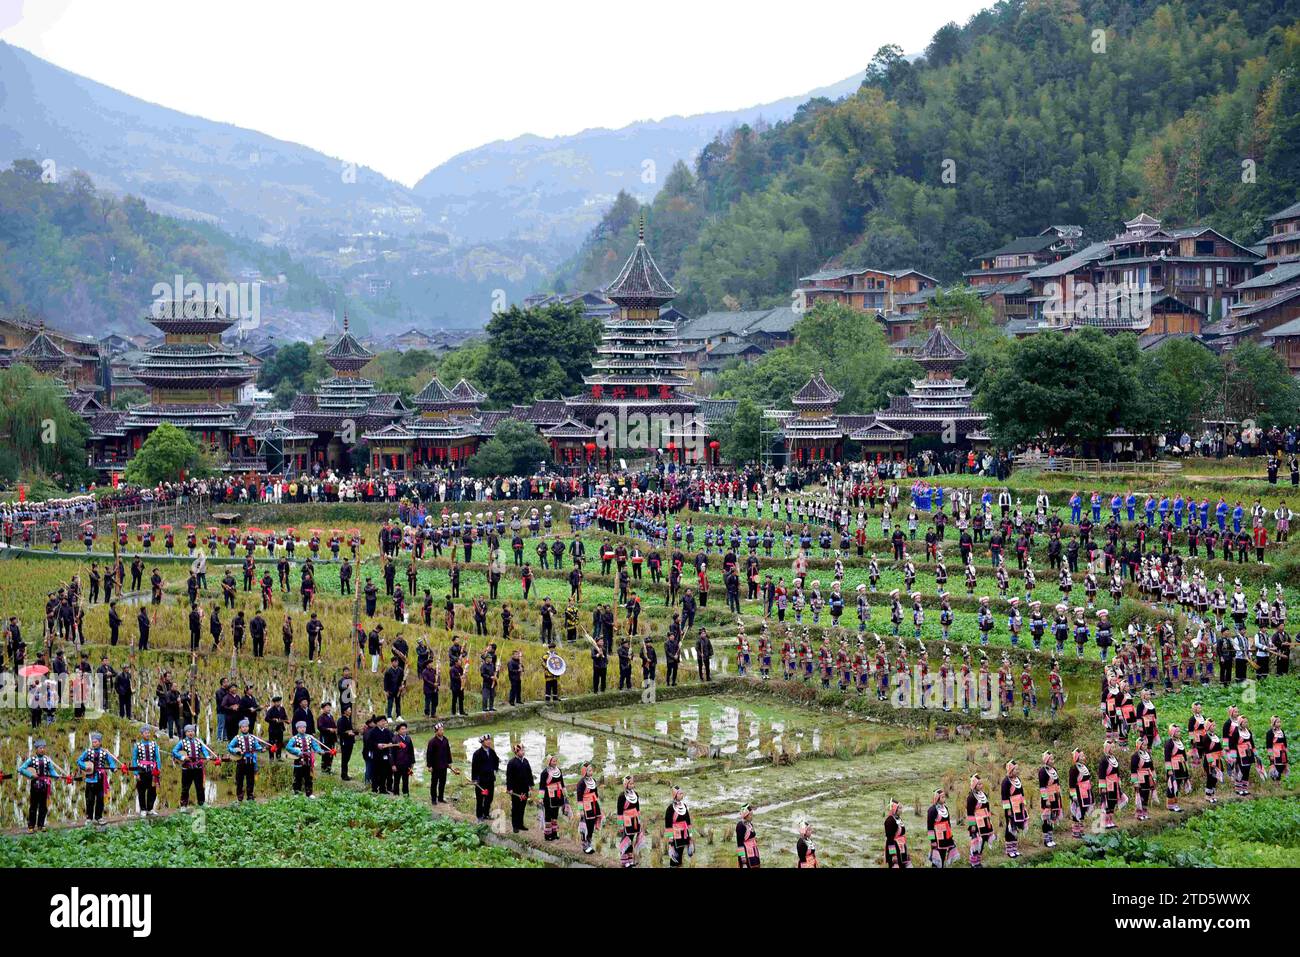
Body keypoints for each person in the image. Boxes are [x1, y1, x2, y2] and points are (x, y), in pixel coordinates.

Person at [18, 739, 67, 832]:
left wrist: (56, 776)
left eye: (43, 748)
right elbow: (21, 769)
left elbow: (51, 770)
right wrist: (31, 775)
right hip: (35, 785)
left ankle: (41, 825)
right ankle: (31, 826)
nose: (42, 750)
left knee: (43, 806)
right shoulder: (31, 759)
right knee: (33, 806)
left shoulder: (47, 760)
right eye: (40, 748)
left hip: (44, 785)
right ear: (36, 749)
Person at [75, 731, 119, 826]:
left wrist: (113, 768)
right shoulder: (88, 752)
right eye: (93, 742)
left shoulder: (104, 752)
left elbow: (111, 762)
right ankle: (89, 818)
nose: (93, 743)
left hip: (100, 779)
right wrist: (85, 766)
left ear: (99, 742)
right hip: (90, 779)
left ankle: (99, 817)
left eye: (95, 742)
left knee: (100, 799)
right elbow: (79, 760)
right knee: (89, 799)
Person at [170, 724, 217, 809]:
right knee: (185, 788)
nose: (190, 733)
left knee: (200, 787)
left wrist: (207, 756)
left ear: (194, 732)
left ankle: (201, 803)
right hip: (187, 769)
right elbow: (174, 751)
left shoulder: (199, 741)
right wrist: (182, 757)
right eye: (188, 731)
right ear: (185, 733)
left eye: (192, 731)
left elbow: (204, 749)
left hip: (198, 768)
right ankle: (183, 806)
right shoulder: (182, 742)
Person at [285, 720, 330, 797]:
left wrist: (320, 751)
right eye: (300, 727)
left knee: (308, 778)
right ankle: (296, 793)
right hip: (298, 762)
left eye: (304, 727)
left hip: (308, 761)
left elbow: (315, 746)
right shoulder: (294, 738)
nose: (303, 729)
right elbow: (288, 747)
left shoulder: (310, 737)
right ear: (297, 729)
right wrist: (297, 751)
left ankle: (309, 793)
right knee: (297, 778)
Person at [226, 718, 268, 802]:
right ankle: (240, 796)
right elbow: (229, 747)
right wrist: (236, 750)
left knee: (250, 780)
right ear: (240, 728)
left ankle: (250, 795)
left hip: (251, 762)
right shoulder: (237, 738)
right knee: (239, 780)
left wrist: (261, 749)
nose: (245, 728)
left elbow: (257, 746)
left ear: (248, 727)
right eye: (243, 727)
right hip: (241, 762)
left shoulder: (252, 737)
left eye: (246, 726)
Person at [926, 787, 959, 867]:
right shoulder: (932, 810)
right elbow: (930, 828)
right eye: (942, 797)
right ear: (937, 798)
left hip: (946, 837)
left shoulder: (946, 809)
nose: (944, 798)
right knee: (937, 857)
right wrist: (932, 841)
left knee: (943, 856)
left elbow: (948, 824)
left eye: (944, 797)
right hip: (937, 838)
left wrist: (951, 837)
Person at [616, 775, 644, 867]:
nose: (632, 785)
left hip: (635, 821)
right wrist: (620, 825)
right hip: (626, 821)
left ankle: (630, 859)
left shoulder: (636, 794)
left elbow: (638, 809)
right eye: (630, 783)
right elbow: (619, 813)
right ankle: (625, 861)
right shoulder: (621, 797)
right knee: (626, 839)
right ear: (626, 784)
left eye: (633, 783)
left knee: (631, 840)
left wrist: (639, 821)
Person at [471, 733, 500, 821]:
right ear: (482, 742)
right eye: (486, 740)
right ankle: (479, 816)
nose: (488, 742)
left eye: (489, 740)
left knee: (489, 797)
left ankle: (486, 814)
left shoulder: (491, 751)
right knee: (480, 799)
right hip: (481, 781)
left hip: (490, 780)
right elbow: (474, 767)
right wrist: (474, 779)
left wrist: (495, 769)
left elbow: (497, 760)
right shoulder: (477, 754)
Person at [538, 753, 567, 840]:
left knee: (555, 814)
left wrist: (565, 794)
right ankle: (547, 835)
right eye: (553, 761)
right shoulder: (544, 773)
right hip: (548, 796)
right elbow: (542, 786)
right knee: (548, 814)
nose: (555, 762)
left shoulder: (559, 771)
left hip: (557, 795)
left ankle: (554, 833)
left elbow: (562, 783)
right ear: (549, 762)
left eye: (556, 761)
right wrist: (541, 797)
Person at [575, 762, 602, 855]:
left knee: (591, 826)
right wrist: (581, 810)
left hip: (594, 804)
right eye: (589, 770)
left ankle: (589, 844)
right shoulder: (581, 783)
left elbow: (596, 794)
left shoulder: (593, 780)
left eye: (592, 770)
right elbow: (579, 798)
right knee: (586, 825)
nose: (591, 772)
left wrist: (599, 805)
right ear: (584, 771)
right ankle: (584, 845)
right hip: (586, 806)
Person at [663, 785, 693, 866]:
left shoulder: (684, 806)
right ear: (675, 795)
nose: (682, 795)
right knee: (674, 858)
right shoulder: (670, 809)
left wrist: (690, 836)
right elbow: (668, 825)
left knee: (680, 854)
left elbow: (688, 822)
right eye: (680, 794)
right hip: (675, 837)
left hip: (684, 835)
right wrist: (670, 842)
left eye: (682, 793)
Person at [425, 722, 454, 805]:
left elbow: (448, 751)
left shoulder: (445, 740)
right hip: (435, 766)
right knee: (434, 783)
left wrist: (449, 762)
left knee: (442, 782)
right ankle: (434, 799)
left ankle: (440, 797)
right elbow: (429, 754)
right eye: (440, 730)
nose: (442, 731)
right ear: (436, 731)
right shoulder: (432, 742)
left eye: (443, 730)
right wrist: (429, 766)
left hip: (444, 765)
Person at [883, 798, 909, 868]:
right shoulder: (889, 821)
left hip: (902, 847)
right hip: (895, 849)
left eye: (901, 808)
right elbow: (890, 840)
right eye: (899, 808)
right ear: (894, 809)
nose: (901, 810)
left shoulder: (898, 818)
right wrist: (893, 855)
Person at [736, 802, 761, 869]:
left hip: (753, 852)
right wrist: (743, 860)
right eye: (750, 815)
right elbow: (739, 844)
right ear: (746, 815)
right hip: (746, 855)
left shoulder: (749, 824)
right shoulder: (740, 826)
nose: (752, 816)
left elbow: (751, 836)